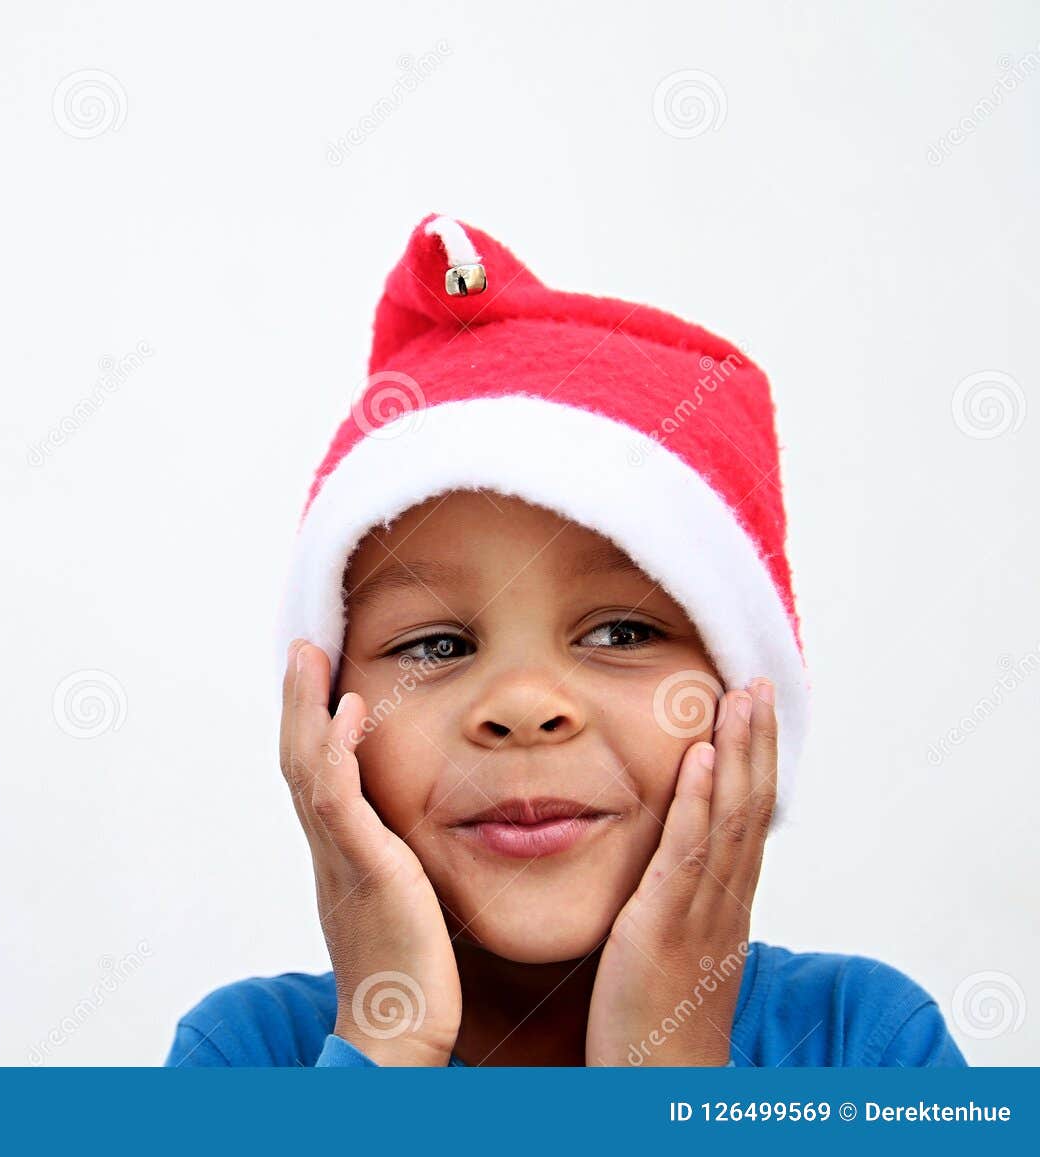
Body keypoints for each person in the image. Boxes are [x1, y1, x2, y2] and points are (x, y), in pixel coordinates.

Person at [164, 214, 965, 1067]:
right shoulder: (246, 1053)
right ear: (322, 725)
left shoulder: (865, 1043)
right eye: (435, 645)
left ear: (747, 703)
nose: (523, 705)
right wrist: (385, 1043)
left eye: (620, 630)